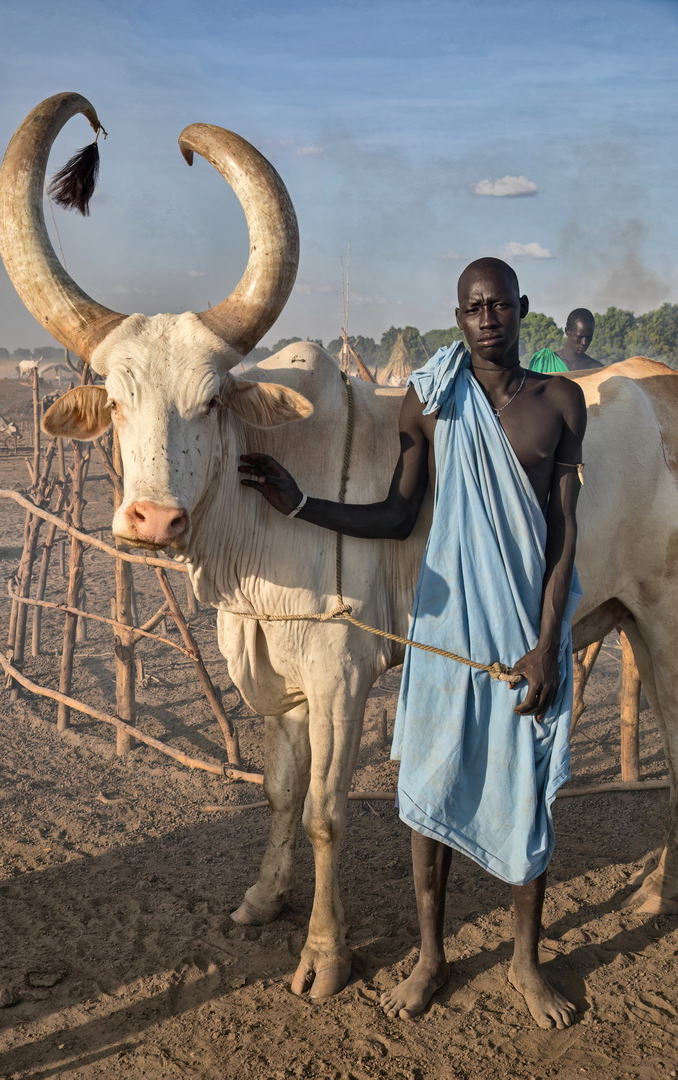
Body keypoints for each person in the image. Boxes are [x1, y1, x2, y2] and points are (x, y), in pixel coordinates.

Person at [238, 258, 586, 1030]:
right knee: (428, 798)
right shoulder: (430, 404)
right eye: (473, 306)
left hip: (525, 636)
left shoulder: (559, 402)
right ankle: (432, 958)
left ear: (522, 309)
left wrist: (547, 642)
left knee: (527, 796)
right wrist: (300, 506)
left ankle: (526, 962)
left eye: (499, 304)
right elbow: (398, 516)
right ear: (456, 317)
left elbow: (563, 535)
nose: (487, 316)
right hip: (443, 633)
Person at [529, 308, 603, 372]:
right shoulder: (545, 361)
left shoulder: (597, 368)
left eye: (589, 337)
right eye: (580, 336)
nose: (584, 342)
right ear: (567, 331)